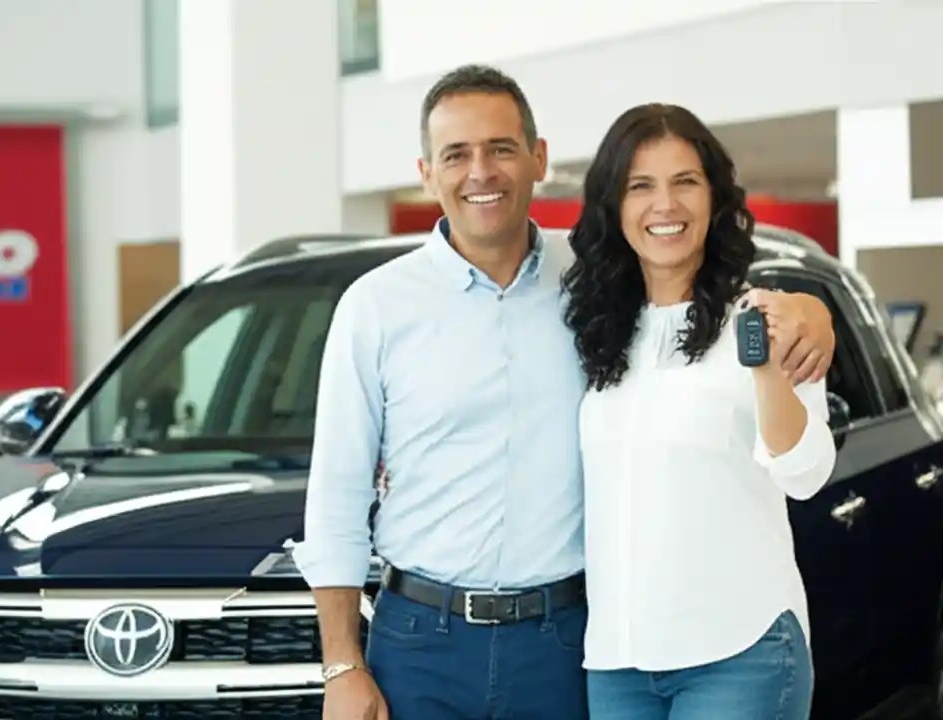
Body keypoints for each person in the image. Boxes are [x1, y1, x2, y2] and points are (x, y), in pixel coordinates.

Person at [291, 64, 836, 720]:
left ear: (538, 158)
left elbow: (705, 299)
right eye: (456, 154)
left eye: (500, 148)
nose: (480, 172)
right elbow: (336, 500)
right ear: (427, 171)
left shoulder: (591, 284)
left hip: (562, 642)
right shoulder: (376, 306)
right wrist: (342, 664)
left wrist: (809, 309)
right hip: (422, 643)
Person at [560, 102, 837, 719]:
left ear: (714, 199)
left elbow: (806, 473)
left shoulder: (765, 318)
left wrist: (765, 364)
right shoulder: (597, 332)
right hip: (617, 663)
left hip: (739, 653)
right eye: (641, 187)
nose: (665, 205)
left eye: (685, 182)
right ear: (615, 206)